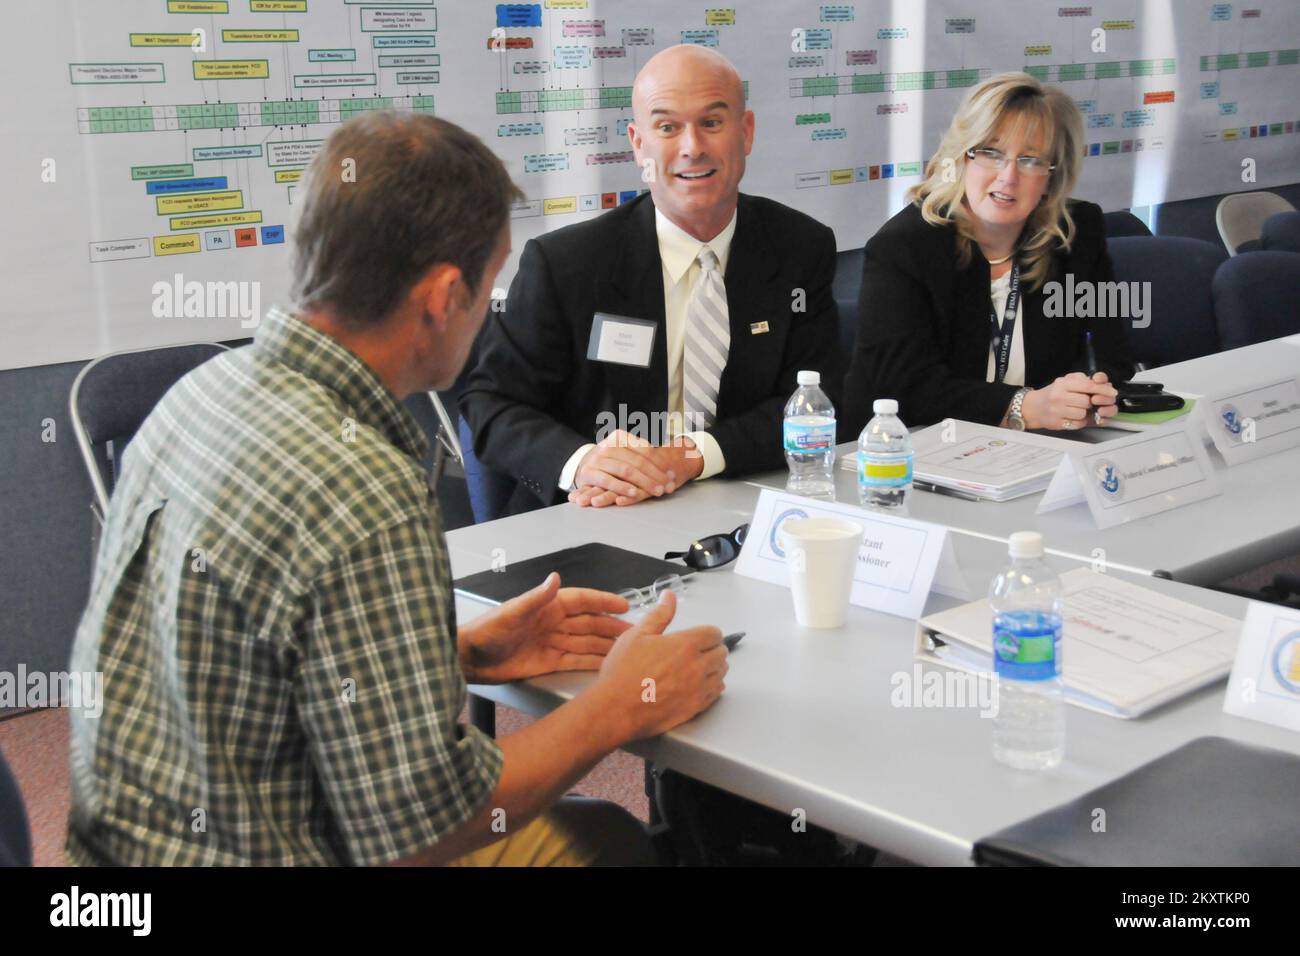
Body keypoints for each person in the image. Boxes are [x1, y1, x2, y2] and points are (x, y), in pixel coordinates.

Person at [66, 112, 728, 867]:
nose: (489, 312)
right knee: (618, 851)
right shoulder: (360, 486)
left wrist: (457, 654)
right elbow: (427, 831)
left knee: (602, 835)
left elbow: (239, 665)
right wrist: (616, 708)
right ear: (445, 296)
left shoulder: (202, 393)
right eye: (492, 284)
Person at [460, 44, 842, 513]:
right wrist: (585, 462)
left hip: (746, 503)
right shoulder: (567, 264)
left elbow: (815, 400)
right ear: (638, 143)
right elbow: (491, 405)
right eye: (667, 127)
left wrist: (690, 457)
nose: (692, 147)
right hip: (593, 512)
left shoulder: (799, 248)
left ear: (746, 133)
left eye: (712, 123)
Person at [841, 72, 1134, 436]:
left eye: (1030, 160)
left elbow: (1112, 352)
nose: (1008, 176)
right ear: (961, 158)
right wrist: (1024, 407)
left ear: (1051, 177)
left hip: (1041, 447)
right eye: (991, 153)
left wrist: (1093, 393)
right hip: (908, 450)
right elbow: (907, 390)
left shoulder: (1077, 232)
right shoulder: (904, 248)